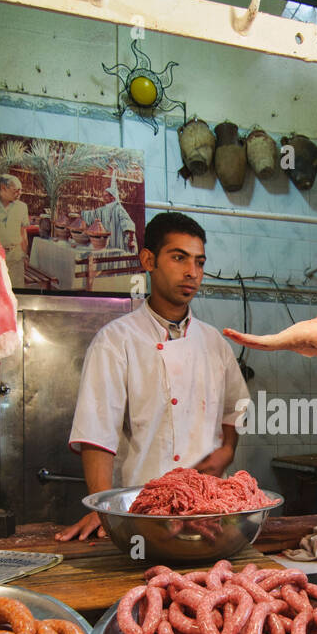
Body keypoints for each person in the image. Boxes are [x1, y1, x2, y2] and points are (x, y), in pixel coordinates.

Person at [56, 212, 249, 541]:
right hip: (142, 511)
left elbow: (237, 406)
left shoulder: (214, 342)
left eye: (199, 262)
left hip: (210, 511)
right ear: (149, 260)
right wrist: (104, 511)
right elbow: (97, 433)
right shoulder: (116, 340)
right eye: (178, 258)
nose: (192, 273)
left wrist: (227, 451)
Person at [0, 174, 29, 289]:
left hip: (16, 258)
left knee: (17, 291)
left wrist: (25, 255)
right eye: (16, 191)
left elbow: (23, 233)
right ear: (3, 188)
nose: (19, 194)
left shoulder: (22, 207)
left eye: (20, 191)